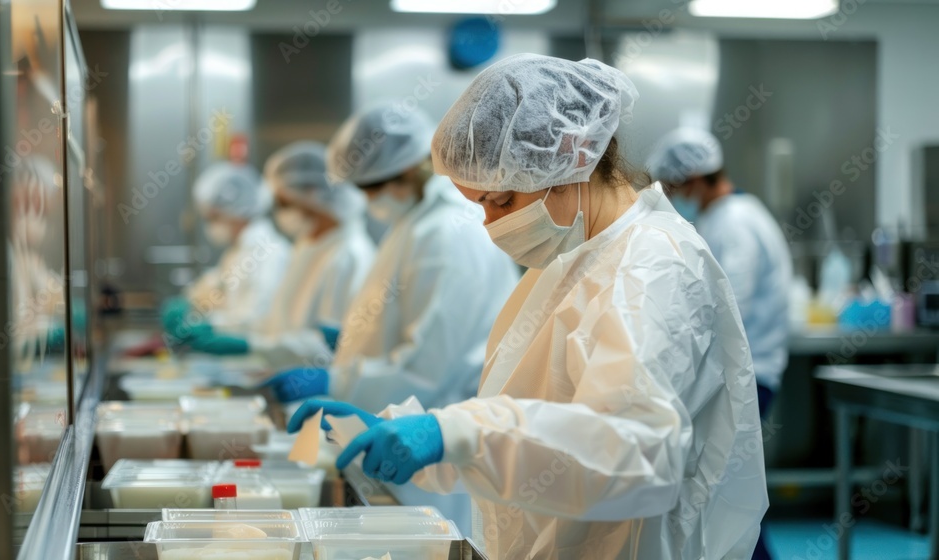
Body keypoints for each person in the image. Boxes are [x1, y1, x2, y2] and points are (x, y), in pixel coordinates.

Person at [289, 54, 768, 559]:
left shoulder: (650, 268)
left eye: (501, 201)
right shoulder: (574, 258)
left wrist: (455, 433)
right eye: (480, 206)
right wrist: (410, 436)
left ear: (569, 154)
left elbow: (633, 454)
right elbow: (536, 425)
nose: (492, 224)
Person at [265, 103, 520, 413]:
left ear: (410, 169)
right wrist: (358, 336)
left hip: (436, 424)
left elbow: (427, 370)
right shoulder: (415, 223)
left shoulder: (448, 233)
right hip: (406, 415)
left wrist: (336, 382)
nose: (368, 198)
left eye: (372, 186)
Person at [648, 127, 792, 560]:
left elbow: (727, 311)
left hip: (744, 377)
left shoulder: (734, 224)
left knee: (728, 497)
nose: (674, 196)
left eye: (674, 187)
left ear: (694, 178)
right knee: (725, 494)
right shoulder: (728, 216)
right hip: (742, 373)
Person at [188, 141, 377, 364]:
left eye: (284, 202)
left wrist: (252, 346)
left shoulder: (350, 255)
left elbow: (334, 343)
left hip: (313, 387)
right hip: (282, 373)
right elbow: (278, 324)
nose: (280, 212)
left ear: (312, 194)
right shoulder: (307, 247)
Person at [163, 162, 290, 346]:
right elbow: (215, 290)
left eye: (214, 217)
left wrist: (208, 324)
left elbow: (259, 319)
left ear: (237, 211)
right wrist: (189, 303)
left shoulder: (271, 253)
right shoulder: (237, 252)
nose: (211, 226)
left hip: (255, 355)